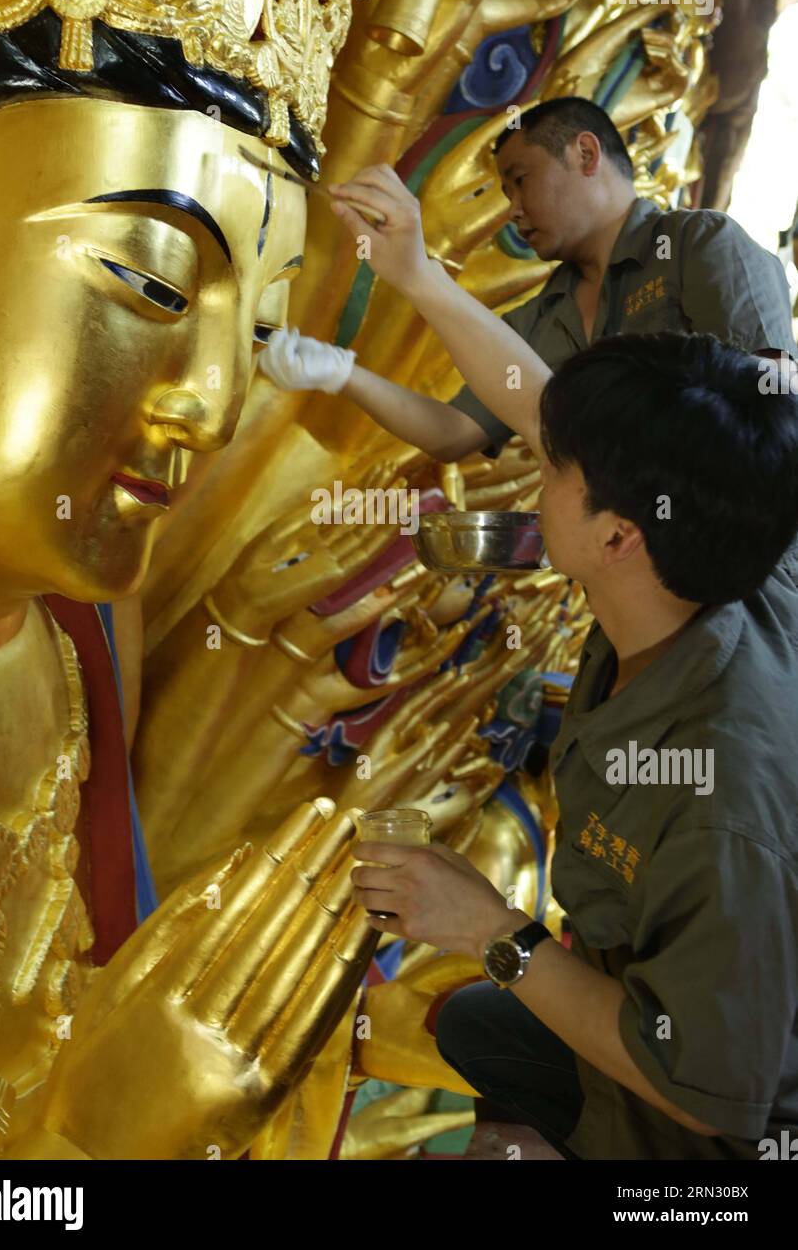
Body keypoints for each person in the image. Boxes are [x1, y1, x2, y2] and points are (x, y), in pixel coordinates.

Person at [309, 159, 798, 1161]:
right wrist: (413, 275)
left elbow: (709, 1090)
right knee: (480, 1026)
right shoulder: (720, 548)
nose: (534, 474)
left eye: (550, 471)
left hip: (722, 1120)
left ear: (615, 533)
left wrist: (488, 925)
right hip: (664, 992)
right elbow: (540, 403)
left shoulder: (723, 794)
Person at [258, 97, 796, 458]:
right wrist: (340, 374)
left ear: (586, 153)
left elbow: (774, 409)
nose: (512, 210)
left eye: (521, 181)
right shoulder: (544, 316)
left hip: (747, 587)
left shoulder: (699, 246)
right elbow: (453, 432)